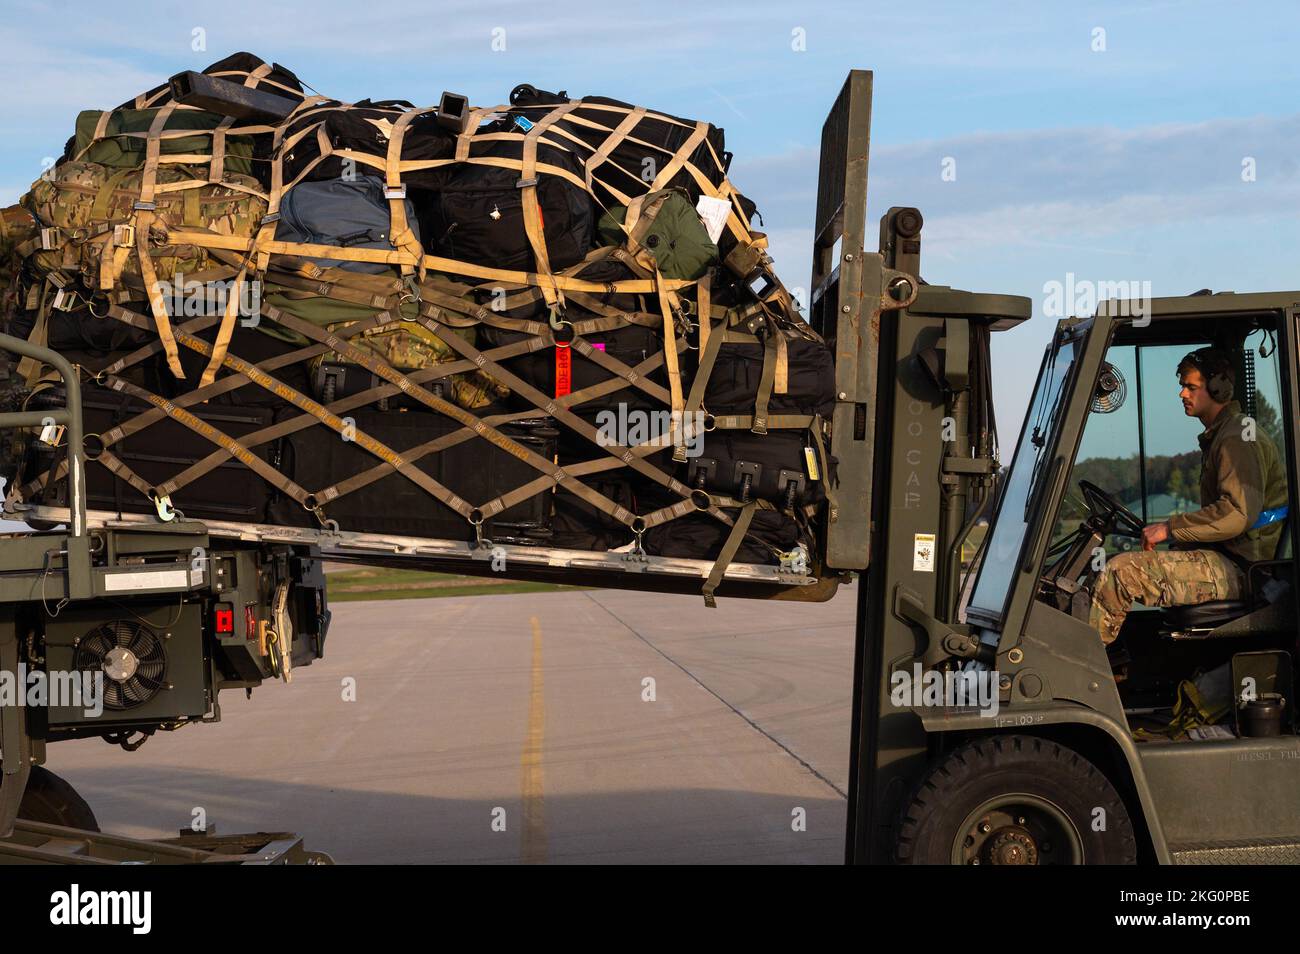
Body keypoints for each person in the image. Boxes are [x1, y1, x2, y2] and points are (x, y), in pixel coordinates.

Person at [1088, 347, 1288, 644]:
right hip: (1232, 559)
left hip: (1246, 571)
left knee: (1121, 573)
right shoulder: (1223, 435)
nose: (1182, 393)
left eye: (1191, 387)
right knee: (1113, 566)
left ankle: (1085, 674)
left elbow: (1237, 513)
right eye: (1183, 386)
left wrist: (1169, 528)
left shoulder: (1237, 438)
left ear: (1218, 388)